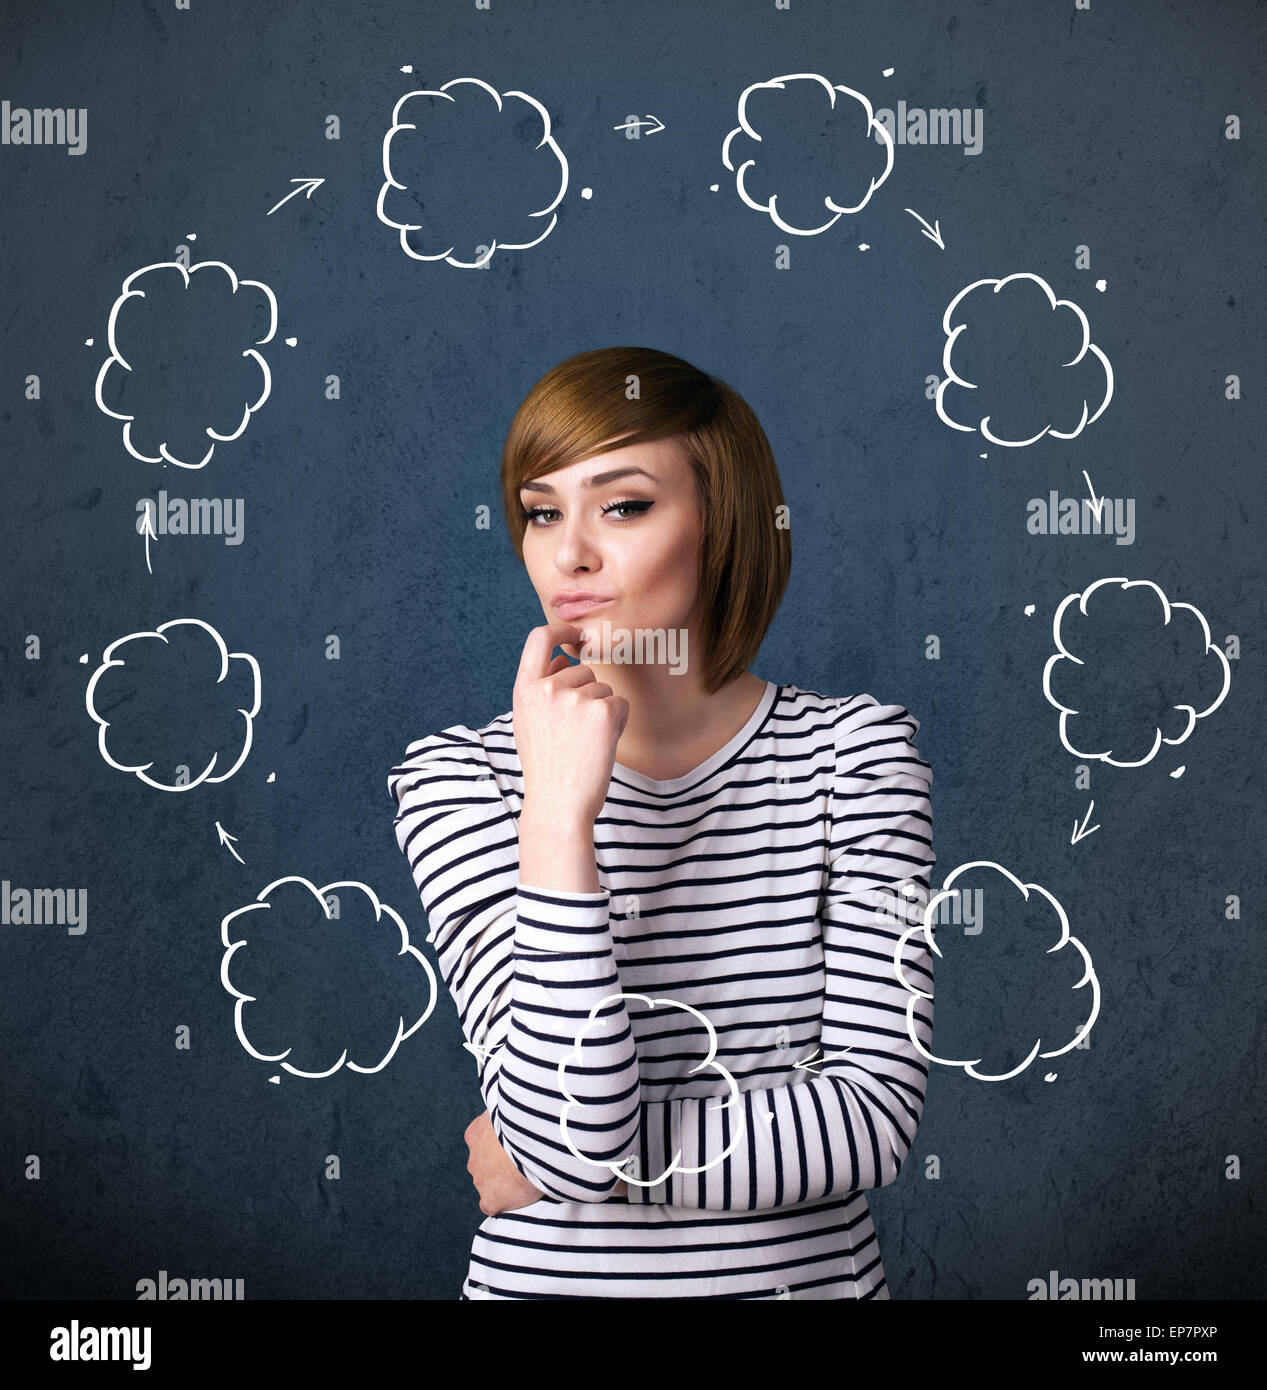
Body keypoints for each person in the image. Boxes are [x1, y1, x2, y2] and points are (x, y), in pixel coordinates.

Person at [388, 346, 936, 1299]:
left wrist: (571, 1163)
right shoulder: (457, 776)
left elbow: (871, 1122)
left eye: (624, 505)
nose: (569, 554)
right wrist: (557, 819)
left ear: (720, 519)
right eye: (542, 511)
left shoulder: (856, 755)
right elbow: (567, 1128)